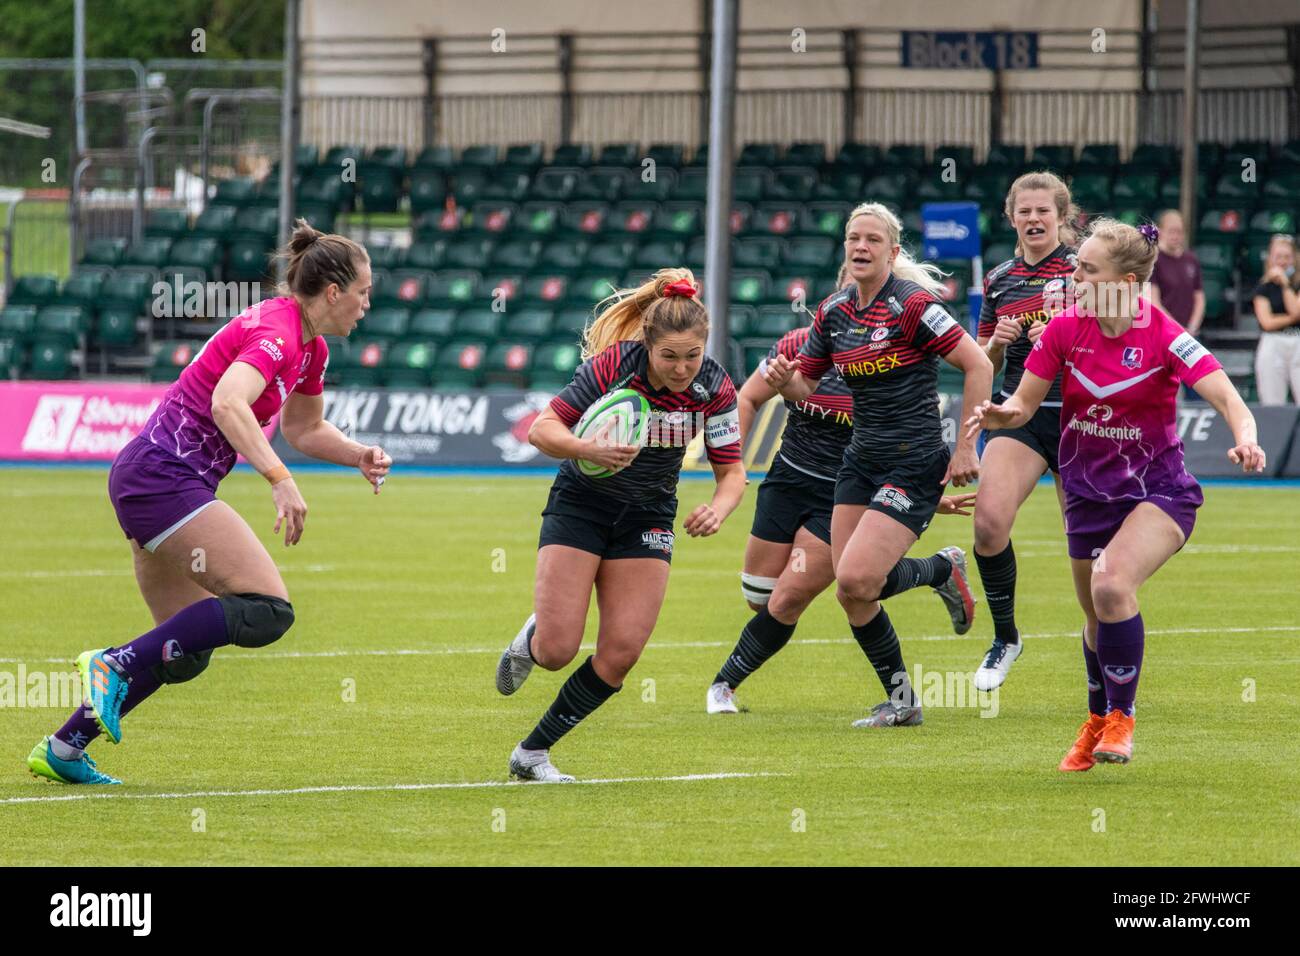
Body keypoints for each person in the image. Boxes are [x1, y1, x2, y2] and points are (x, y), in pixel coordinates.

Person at [27, 219, 390, 785]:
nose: (369, 304)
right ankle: (112, 663)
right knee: (269, 609)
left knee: (181, 652)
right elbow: (227, 403)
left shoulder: (310, 347)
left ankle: (66, 746)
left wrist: (357, 454)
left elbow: (305, 428)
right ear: (335, 291)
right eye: (365, 292)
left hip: (154, 479)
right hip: (162, 477)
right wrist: (278, 479)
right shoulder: (277, 330)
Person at [967, 219, 1265, 770]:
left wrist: (1246, 439)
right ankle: (1097, 718)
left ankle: (1122, 719)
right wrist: (999, 412)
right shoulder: (1062, 329)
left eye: (1086, 268)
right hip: (1086, 493)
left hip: (1159, 490)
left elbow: (1228, 398)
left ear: (1125, 281)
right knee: (1095, 616)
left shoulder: (1162, 332)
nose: (1072, 275)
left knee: (1110, 585)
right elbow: (1025, 406)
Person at [495, 269, 747, 782]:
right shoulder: (613, 365)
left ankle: (533, 753)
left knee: (620, 655)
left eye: (692, 356)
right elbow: (543, 429)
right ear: (648, 346)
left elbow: (732, 472)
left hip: (649, 517)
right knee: (557, 651)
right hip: (581, 505)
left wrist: (719, 509)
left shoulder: (716, 386)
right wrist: (590, 449)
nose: (681, 369)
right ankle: (534, 635)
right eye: (669, 356)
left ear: (706, 348)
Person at [762, 203, 993, 728]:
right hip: (860, 460)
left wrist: (966, 447)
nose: (860, 247)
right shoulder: (834, 311)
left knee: (860, 579)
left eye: (872, 240)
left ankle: (941, 570)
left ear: (892, 251)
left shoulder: (913, 305)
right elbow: (808, 386)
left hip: (913, 461)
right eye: (853, 239)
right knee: (850, 588)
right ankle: (904, 697)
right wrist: (783, 382)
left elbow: (977, 363)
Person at [705, 319, 977, 714]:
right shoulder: (797, 343)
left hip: (844, 495)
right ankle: (938, 569)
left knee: (797, 597)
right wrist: (735, 465)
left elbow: (899, 442)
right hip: (786, 481)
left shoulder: (887, 363)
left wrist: (923, 496)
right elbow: (747, 399)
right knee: (759, 596)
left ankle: (723, 686)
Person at [970, 171, 1078, 691]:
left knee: (1087, 548)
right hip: (1020, 414)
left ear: (1061, 216)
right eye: (1024, 211)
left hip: (1084, 419)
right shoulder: (998, 279)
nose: (1034, 219)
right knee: (988, 526)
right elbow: (980, 362)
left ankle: (1104, 658)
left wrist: (1061, 336)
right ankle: (1005, 637)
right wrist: (999, 345)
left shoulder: (1088, 271)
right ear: (1011, 216)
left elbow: (1117, 342)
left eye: (1044, 211)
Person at [1251, 234, 1300, 405]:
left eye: (1287, 257)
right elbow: (1267, 323)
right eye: (1278, 257)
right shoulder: (1262, 287)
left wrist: (1285, 284)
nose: (1283, 261)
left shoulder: (1296, 284)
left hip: (1297, 339)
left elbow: (1297, 311)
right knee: (1272, 401)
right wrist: (1291, 317)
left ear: (1295, 258)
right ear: (1270, 258)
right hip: (1272, 343)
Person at [1148, 209, 1205, 334]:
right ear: (1160, 231)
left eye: (1179, 232)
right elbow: (1154, 301)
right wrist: (1176, 329)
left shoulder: (1191, 259)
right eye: (1171, 231)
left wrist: (1192, 326)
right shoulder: (1152, 260)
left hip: (1189, 332)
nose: (1175, 236)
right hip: (1162, 331)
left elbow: (1199, 297)